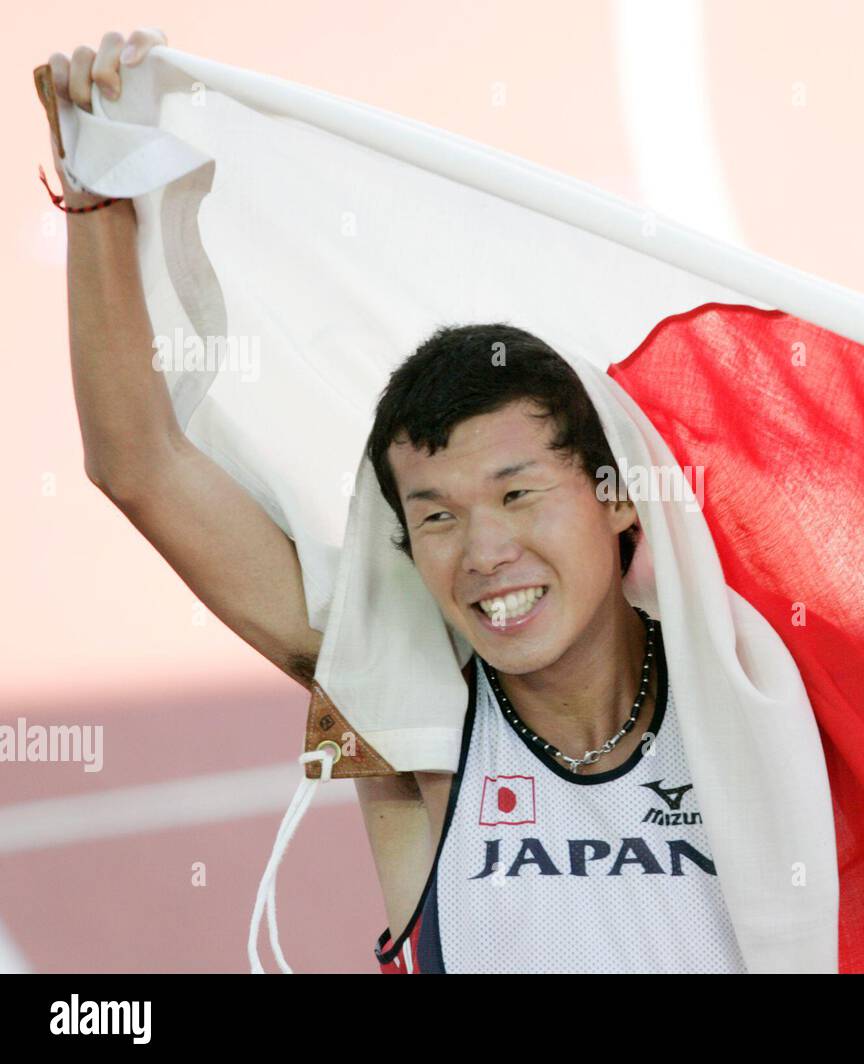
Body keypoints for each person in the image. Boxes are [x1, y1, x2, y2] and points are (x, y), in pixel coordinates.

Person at [47, 27, 747, 974]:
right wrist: (96, 199)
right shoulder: (411, 705)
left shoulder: (752, 696)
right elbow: (140, 465)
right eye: (438, 516)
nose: (485, 550)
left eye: (517, 493)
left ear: (617, 497)